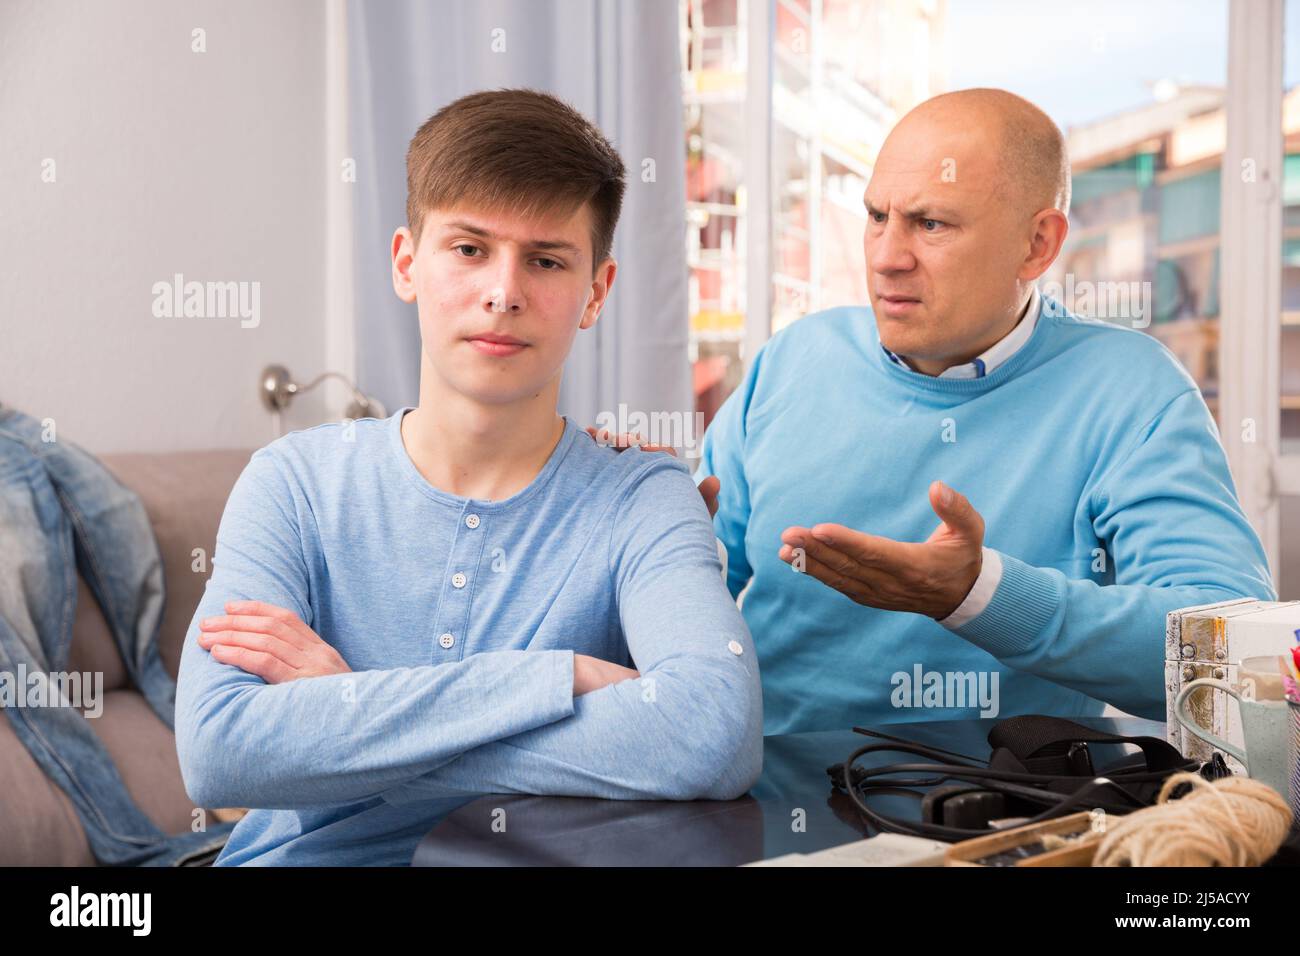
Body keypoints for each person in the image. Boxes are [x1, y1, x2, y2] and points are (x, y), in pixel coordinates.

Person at [174, 88, 763, 866]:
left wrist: (349, 704)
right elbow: (218, 751)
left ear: (596, 293)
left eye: (546, 260)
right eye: (468, 248)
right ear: (406, 263)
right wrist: (558, 680)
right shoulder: (292, 482)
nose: (504, 292)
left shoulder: (645, 496)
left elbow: (714, 736)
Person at [693, 88, 1274, 734]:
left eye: (930, 223)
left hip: (999, 814)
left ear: (1037, 244)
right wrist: (634, 525)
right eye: (877, 216)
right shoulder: (796, 357)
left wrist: (980, 593)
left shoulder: (1129, 390)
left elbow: (1234, 664)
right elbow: (694, 590)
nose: (886, 256)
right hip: (757, 796)